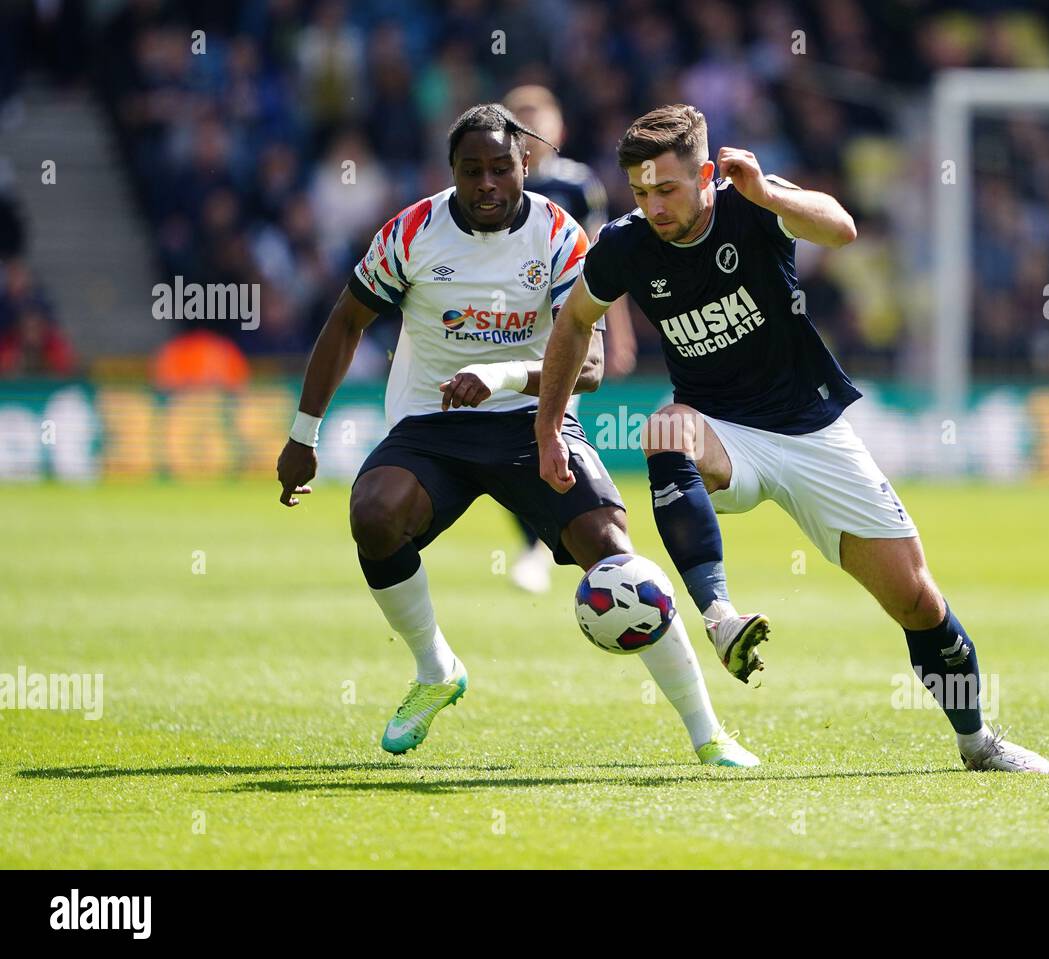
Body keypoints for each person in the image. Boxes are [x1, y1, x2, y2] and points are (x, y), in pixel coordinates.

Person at [536, 104, 1049, 772]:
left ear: (703, 175)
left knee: (918, 600)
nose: (653, 205)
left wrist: (769, 191)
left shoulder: (751, 205)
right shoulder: (626, 245)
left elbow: (841, 229)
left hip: (812, 431)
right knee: (664, 426)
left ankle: (977, 741)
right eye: (641, 192)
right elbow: (574, 322)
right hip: (722, 432)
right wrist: (549, 426)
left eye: (666, 189)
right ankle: (720, 615)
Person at [276, 104, 757, 766]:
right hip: (432, 428)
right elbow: (345, 320)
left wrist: (499, 375)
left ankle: (709, 735)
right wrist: (304, 434)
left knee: (617, 557)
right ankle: (434, 668)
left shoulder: (559, 235)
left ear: (524, 166)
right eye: (472, 171)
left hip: (536, 424)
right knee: (375, 513)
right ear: (453, 173)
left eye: (501, 168)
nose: (488, 184)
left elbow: (586, 368)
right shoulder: (411, 231)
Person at [498, 84, 638, 595]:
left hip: (566, 329)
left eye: (540, 118)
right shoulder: (496, 188)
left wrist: (615, 333)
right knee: (512, 432)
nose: (531, 129)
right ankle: (554, 539)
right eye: (521, 118)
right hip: (504, 329)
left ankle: (563, 539)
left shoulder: (579, 187)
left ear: (557, 130)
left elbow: (604, 266)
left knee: (553, 423)